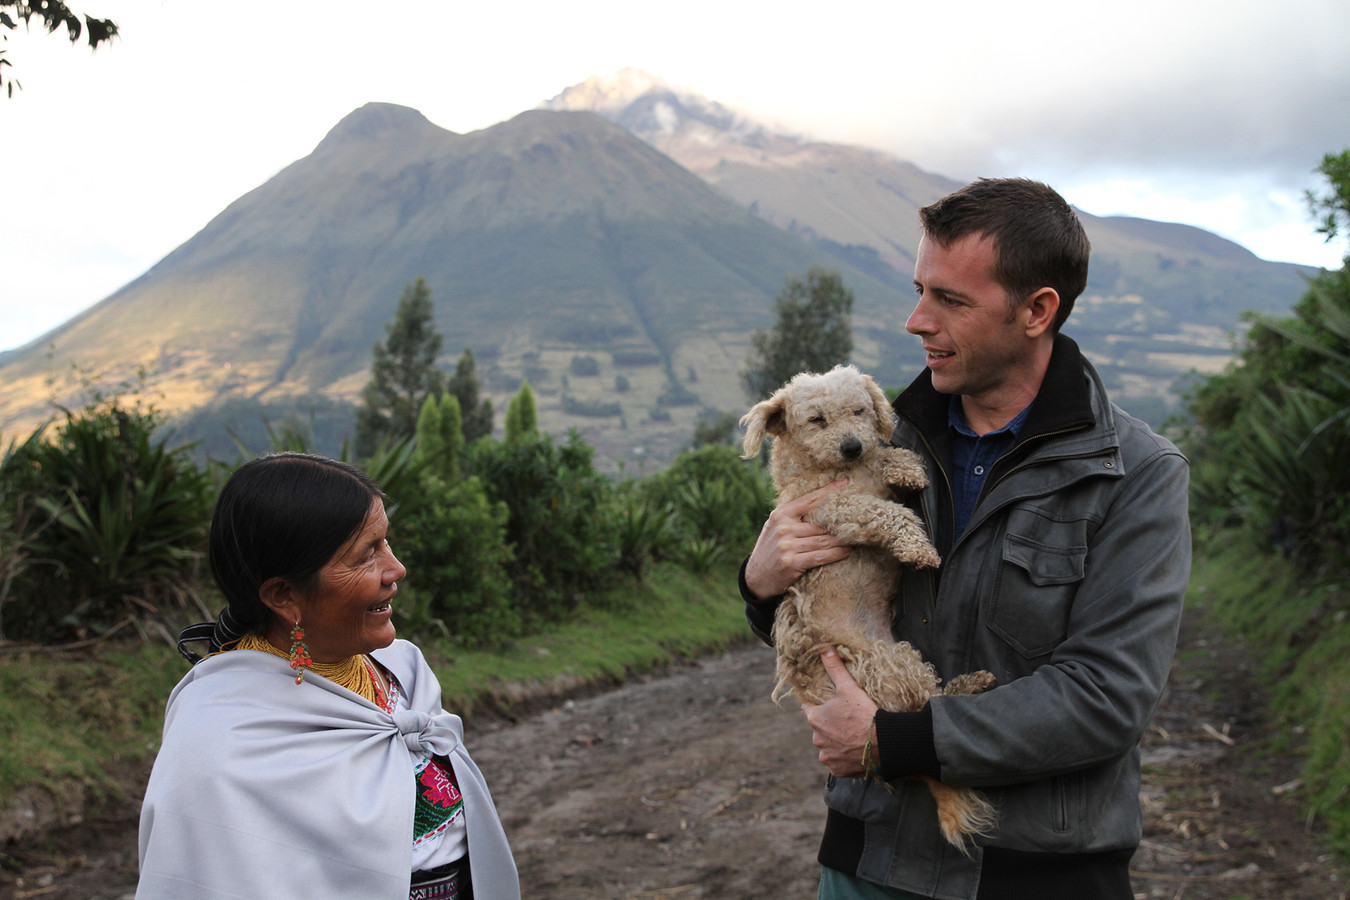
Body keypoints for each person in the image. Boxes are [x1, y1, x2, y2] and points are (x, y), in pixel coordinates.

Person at [741, 178, 1191, 900]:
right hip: (867, 863)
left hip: (1038, 876)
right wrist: (761, 588)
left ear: (1037, 310)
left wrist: (897, 741)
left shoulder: (1135, 474)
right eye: (920, 290)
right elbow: (834, 619)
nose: (916, 321)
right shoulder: (875, 440)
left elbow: (1108, 696)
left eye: (950, 300)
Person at [137, 452, 520, 900]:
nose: (396, 569)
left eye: (386, 542)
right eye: (367, 554)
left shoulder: (402, 672)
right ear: (284, 595)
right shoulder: (216, 754)